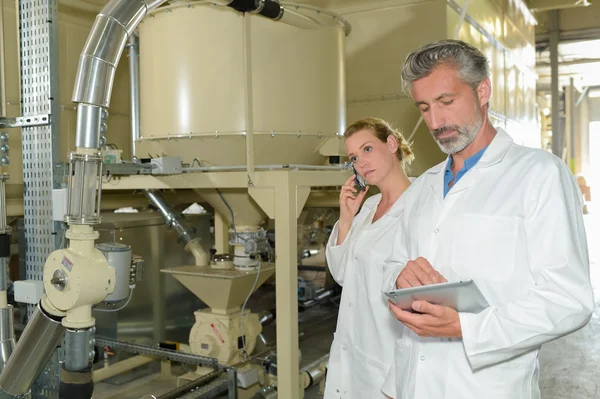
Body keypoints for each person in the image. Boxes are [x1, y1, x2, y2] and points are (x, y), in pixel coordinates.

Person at [381, 39, 594, 399]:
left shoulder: (539, 174)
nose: (436, 121)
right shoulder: (424, 187)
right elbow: (388, 265)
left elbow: (569, 299)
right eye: (424, 107)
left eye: (447, 102)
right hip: (412, 384)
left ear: (483, 91)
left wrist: (468, 326)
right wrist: (398, 274)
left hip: (486, 387)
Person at [323, 117, 414, 398]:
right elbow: (342, 274)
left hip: (387, 362)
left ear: (390, 143)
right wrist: (347, 217)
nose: (360, 162)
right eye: (353, 156)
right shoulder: (369, 206)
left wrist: (397, 380)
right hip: (352, 351)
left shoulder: (420, 206)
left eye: (367, 149)